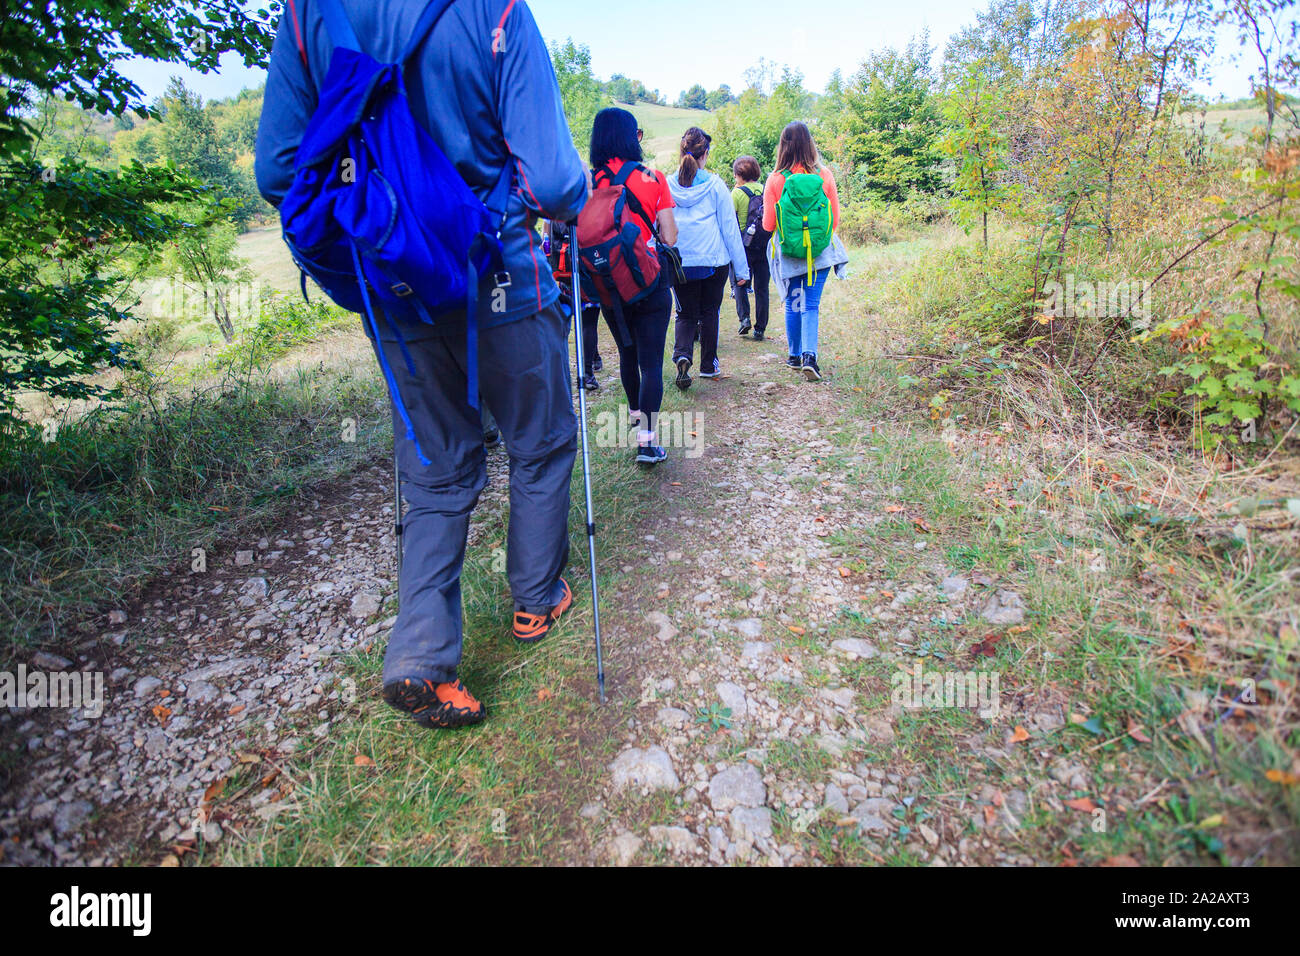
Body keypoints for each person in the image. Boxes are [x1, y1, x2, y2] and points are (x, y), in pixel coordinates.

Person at [255, 0, 588, 729]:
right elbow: (559, 183)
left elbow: (278, 170)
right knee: (541, 440)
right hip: (501, 278)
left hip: (397, 289)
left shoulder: (310, 13)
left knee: (436, 471)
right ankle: (535, 601)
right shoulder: (493, 10)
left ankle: (421, 660)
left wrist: (388, 220)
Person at [586, 107, 679, 465]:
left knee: (627, 355)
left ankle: (637, 421)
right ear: (631, 136)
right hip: (650, 280)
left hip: (609, 282)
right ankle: (647, 442)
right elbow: (669, 235)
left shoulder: (589, 183)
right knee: (651, 363)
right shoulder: (651, 177)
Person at [762, 121, 847, 382]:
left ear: (783, 147)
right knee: (811, 305)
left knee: (794, 302)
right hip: (819, 254)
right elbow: (835, 219)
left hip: (789, 254)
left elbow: (768, 224)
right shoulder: (825, 175)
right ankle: (810, 356)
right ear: (810, 143)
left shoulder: (776, 179)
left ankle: (794, 355)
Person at [667, 127, 749, 389]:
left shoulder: (667, 185)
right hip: (713, 260)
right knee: (709, 312)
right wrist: (742, 269)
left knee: (684, 313)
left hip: (680, 261)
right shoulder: (715, 185)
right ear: (705, 155)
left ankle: (682, 355)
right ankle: (708, 365)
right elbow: (730, 229)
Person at [545, 219, 602, 391]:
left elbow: (546, 239)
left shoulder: (555, 202)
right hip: (589, 268)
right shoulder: (587, 199)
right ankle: (587, 374)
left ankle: (594, 357)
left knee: (572, 319)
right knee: (589, 323)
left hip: (565, 270)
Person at [729, 155, 771, 340]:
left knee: (740, 283)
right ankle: (760, 328)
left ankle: (744, 318)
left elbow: (730, 220)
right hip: (763, 245)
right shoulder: (766, 190)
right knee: (762, 288)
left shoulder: (736, 194)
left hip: (743, 246)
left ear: (738, 174)